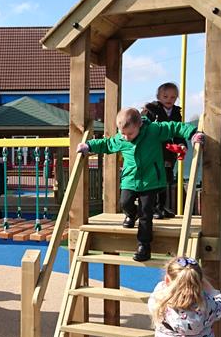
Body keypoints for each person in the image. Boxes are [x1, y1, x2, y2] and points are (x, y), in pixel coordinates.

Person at [77, 107, 203, 261]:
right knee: (125, 202)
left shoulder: (153, 131)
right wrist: (89, 146)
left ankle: (144, 246)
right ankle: (131, 213)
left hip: (149, 181)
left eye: (129, 133)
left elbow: (174, 127)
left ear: (139, 126)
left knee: (146, 213)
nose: (126, 137)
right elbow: (107, 144)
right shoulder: (122, 138)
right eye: (123, 133)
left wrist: (192, 133)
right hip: (130, 180)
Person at [144, 82, 186, 219]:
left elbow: (178, 131)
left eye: (173, 97)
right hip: (153, 151)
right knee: (154, 178)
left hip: (168, 152)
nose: (169, 100)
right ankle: (152, 207)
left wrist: (181, 144)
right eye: (166, 96)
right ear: (159, 96)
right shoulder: (151, 110)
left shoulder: (176, 112)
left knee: (166, 179)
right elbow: (143, 127)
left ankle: (161, 207)